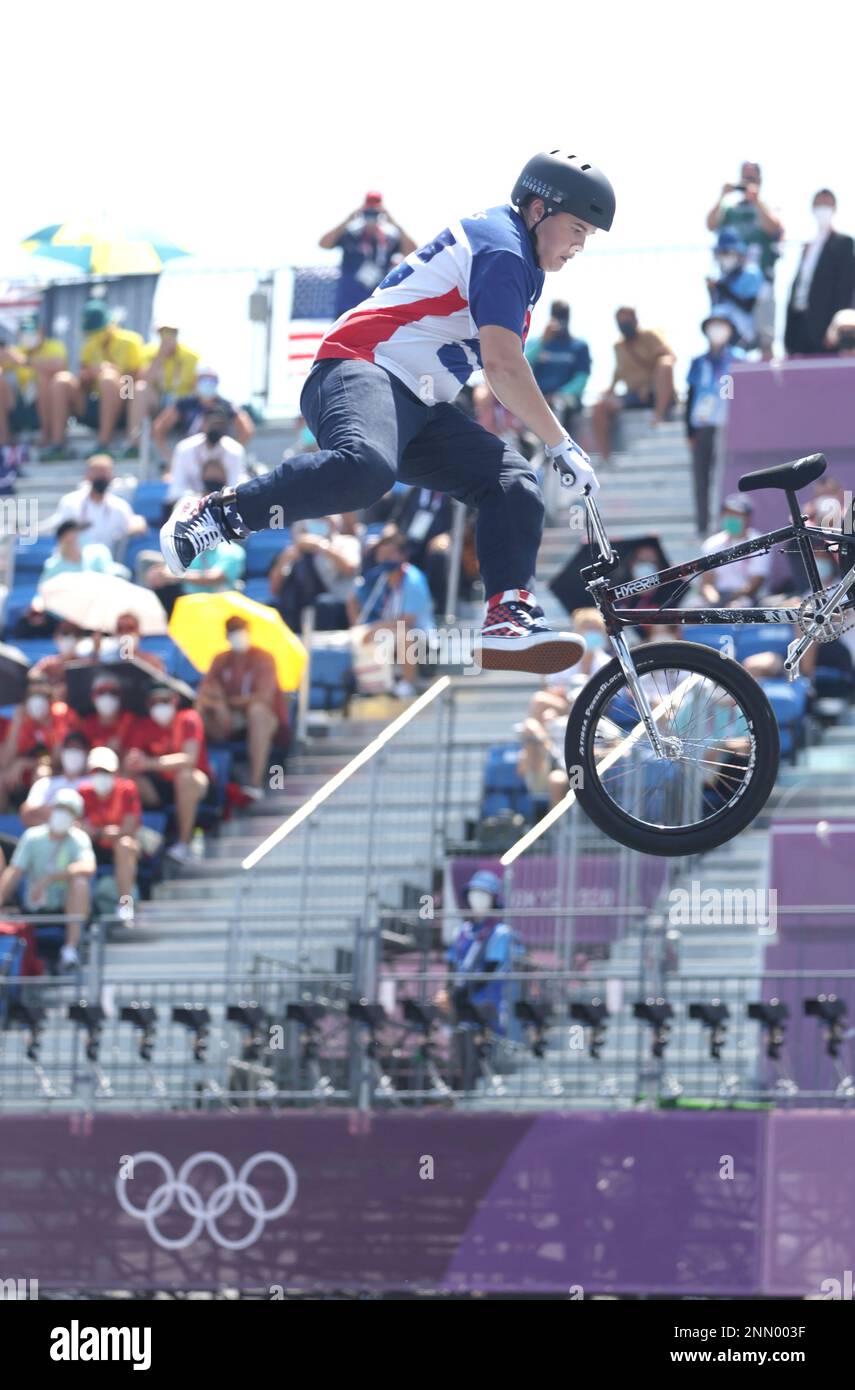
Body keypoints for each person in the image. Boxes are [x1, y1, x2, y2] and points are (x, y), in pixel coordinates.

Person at [161, 151, 615, 677]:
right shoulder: (505, 250)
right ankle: (216, 513)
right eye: (577, 228)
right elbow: (502, 365)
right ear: (538, 210)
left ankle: (507, 615)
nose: (581, 244)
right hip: (358, 367)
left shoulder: (515, 255)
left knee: (511, 480)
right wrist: (561, 442)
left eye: (589, 235)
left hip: (416, 403)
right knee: (365, 469)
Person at [0, 788, 95, 972]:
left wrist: (52, 876)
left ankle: (70, 950)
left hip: (64, 908)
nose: (62, 813)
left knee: (80, 883)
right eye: (59, 807)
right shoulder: (32, 837)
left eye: (69, 810)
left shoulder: (79, 838)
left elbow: (88, 867)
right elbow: (15, 872)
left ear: (76, 816)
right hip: (34, 906)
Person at [196, 616, 284, 798]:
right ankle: (204, 779)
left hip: (262, 719)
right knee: (198, 710)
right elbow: (205, 690)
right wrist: (219, 706)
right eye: (233, 631)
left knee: (257, 712)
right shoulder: (220, 660)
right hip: (228, 719)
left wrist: (227, 702)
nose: (238, 635)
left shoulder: (264, 658)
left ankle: (255, 782)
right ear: (226, 635)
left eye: (241, 630)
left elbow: (264, 697)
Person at [123, 686, 210, 864]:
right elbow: (133, 759)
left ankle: (184, 843)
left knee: (185, 777)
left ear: (175, 700)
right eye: (154, 702)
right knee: (127, 781)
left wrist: (149, 763)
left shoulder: (188, 718)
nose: (159, 706)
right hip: (162, 785)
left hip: (196, 783)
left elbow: (189, 760)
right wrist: (134, 761)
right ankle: (143, 837)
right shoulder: (144, 725)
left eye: (164, 701)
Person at [705, 161, 784, 358]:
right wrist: (722, 195)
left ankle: (768, 379)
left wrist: (756, 200)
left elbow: (774, 227)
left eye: (752, 178)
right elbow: (711, 224)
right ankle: (729, 383)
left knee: (765, 337)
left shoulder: (767, 207)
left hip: (760, 284)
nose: (747, 182)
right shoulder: (730, 209)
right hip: (732, 287)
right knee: (727, 338)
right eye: (744, 177)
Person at [45, 301, 144, 456]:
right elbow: (83, 385)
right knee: (61, 380)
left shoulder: (131, 341)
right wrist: (88, 376)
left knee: (108, 379)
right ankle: (57, 443)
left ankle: (104, 442)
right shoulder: (89, 346)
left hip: (125, 404)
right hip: (94, 404)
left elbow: (135, 382)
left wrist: (113, 373)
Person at [346, 526, 436, 697]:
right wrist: (358, 625)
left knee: (404, 635)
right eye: (383, 554)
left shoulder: (413, 580)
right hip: (387, 629)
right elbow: (352, 599)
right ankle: (369, 687)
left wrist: (373, 628)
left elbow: (408, 620)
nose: (386, 558)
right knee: (359, 636)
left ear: (402, 556)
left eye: (391, 553)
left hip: (420, 636)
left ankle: (407, 684)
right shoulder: (379, 576)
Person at [686, 312, 745, 536]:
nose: (717, 330)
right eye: (713, 326)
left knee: (726, 474)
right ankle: (703, 526)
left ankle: (726, 525)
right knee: (701, 476)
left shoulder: (739, 358)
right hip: (702, 425)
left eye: (721, 325)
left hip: (729, 425)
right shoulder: (699, 361)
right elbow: (691, 393)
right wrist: (689, 430)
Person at [590, 308, 676, 462]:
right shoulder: (619, 346)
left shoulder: (650, 336)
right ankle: (605, 459)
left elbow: (669, 357)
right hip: (633, 395)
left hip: (656, 392)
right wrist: (608, 391)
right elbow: (618, 372)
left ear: (635, 320)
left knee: (665, 365)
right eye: (621, 322)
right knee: (599, 406)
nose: (624, 325)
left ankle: (658, 416)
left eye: (627, 321)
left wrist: (649, 386)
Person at [319, 191, 418, 317]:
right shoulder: (350, 235)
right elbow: (324, 244)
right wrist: (348, 219)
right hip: (348, 305)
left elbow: (412, 251)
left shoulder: (389, 239)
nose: (371, 217)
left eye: (375, 214)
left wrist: (394, 222)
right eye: (367, 213)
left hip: (375, 305)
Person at [785, 191, 855, 357]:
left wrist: (836, 327)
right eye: (819, 204)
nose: (823, 209)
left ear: (834, 208)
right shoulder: (808, 246)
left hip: (825, 329)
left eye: (827, 204)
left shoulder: (843, 243)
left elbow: (845, 287)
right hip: (800, 326)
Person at [79, 746, 141, 922]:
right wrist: (103, 833)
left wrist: (98, 832)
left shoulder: (127, 789)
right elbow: (78, 826)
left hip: (118, 847)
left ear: (115, 772)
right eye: (96, 771)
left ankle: (125, 903)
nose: (100, 775)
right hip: (93, 847)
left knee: (125, 845)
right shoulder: (83, 791)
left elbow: (128, 829)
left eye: (105, 771)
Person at [268, 514, 361, 632]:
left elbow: (349, 569)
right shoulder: (292, 551)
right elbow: (273, 590)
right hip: (297, 609)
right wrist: (286, 558)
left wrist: (320, 546)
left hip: (334, 607)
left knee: (324, 604)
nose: (319, 522)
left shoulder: (347, 542)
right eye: (316, 519)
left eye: (325, 519)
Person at [127, 325, 200, 456]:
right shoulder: (147, 352)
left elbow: (196, 387)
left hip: (179, 406)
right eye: (163, 332)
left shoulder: (191, 356)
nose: (167, 336)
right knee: (139, 389)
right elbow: (144, 380)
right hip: (157, 403)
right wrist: (160, 357)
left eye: (171, 332)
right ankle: (135, 444)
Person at [53, 453, 147, 554]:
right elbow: (61, 533)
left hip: (106, 564)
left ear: (112, 476)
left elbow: (135, 524)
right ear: (87, 475)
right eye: (97, 472)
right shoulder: (70, 502)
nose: (101, 477)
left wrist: (138, 523)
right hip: (74, 561)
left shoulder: (119, 506)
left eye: (105, 473)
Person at [152, 367, 254, 459]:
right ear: (195, 381)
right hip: (190, 457)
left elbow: (247, 430)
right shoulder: (184, 404)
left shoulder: (226, 406)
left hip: (218, 461)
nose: (208, 383)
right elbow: (159, 427)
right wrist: (168, 456)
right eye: (204, 379)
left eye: (212, 380)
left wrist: (228, 454)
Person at [0, 316, 67, 447]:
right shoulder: (17, 350)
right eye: (23, 332)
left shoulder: (53, 346)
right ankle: (3, 440)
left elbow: (59, 366)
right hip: (23, 403)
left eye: (30, 331)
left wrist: (26, 361)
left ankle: (48, 436)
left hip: (50, 402)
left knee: (43, 380)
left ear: (40, 331)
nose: (27, 336)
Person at [524, 299, 591, 428]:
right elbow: (523, 363)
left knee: (558, 404)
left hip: (565, 401)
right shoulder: (537, 343)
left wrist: (557, 395)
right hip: (538, 399)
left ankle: (559, 444)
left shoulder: (579, 346)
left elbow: (581, 379)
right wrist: (543, 341)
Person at [699, 495, 770, 607]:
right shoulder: (712, 543)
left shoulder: (759, 543)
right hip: (719, 596)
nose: (732, 518)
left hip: (748, 598)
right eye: (728, 514)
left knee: (736, 608)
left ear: (748, 518)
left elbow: (755, 583)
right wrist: (713, 600)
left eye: (737, 515)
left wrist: (729, 600)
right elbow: (707, 582)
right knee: (692, 608)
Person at [166, 412, 248, 504]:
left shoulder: (235, 450)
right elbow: (176, 491)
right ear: (204, 424)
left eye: (220, 425)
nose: (216, 428)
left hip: (224, 505)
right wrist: (199, 501)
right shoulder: (185, 448)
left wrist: (216, 501)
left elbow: (236, 488)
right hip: (190, 505)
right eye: (213, 424)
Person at [706, 229, 763, 349]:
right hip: (722, 342)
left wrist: (722, 289)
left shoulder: (751, 273)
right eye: (721, 253)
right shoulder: (722, 279)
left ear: (739, 254)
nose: (724, 257)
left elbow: (749, 306)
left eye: (727, 252)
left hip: (744, 340)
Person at [20, 730, 91, 827]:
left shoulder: (92, 783)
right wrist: (60, 820)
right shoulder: (45, 783)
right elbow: (27, 813)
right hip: (48, 837)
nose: (73, 752)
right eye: (69, 748)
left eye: (78, 748)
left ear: (86, 753)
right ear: (62, 752)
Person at [38, 519, 115, 590]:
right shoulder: (54, 566)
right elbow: (43, 593)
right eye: (77, 532)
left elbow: (111, 583)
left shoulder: (99, 553)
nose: (82, 535)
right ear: (66, 538)